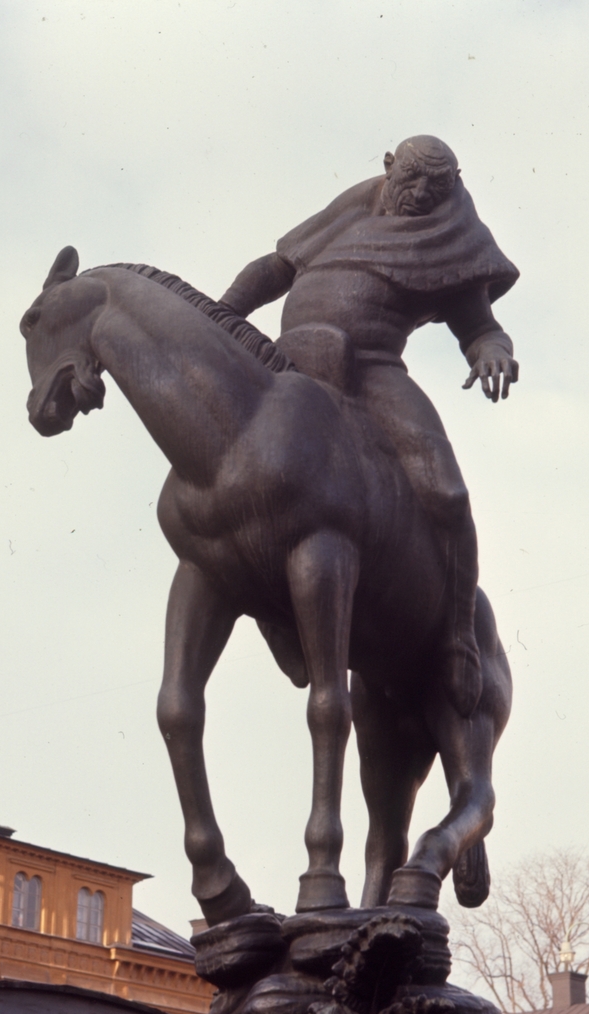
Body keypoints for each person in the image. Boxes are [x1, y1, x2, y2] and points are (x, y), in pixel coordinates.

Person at [220, 135, 519, 715]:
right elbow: (279, 264)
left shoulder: (450, 235)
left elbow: (480, 325)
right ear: (388, 168)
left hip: (373, 370)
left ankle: (459, 637)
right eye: (410, 181)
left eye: (436, 187)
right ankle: (274, 616)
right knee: (229, 475)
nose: (419, 196)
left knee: (447, 493)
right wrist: (225, 310)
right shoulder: (356, 202)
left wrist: (491, 351)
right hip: (291, 362)